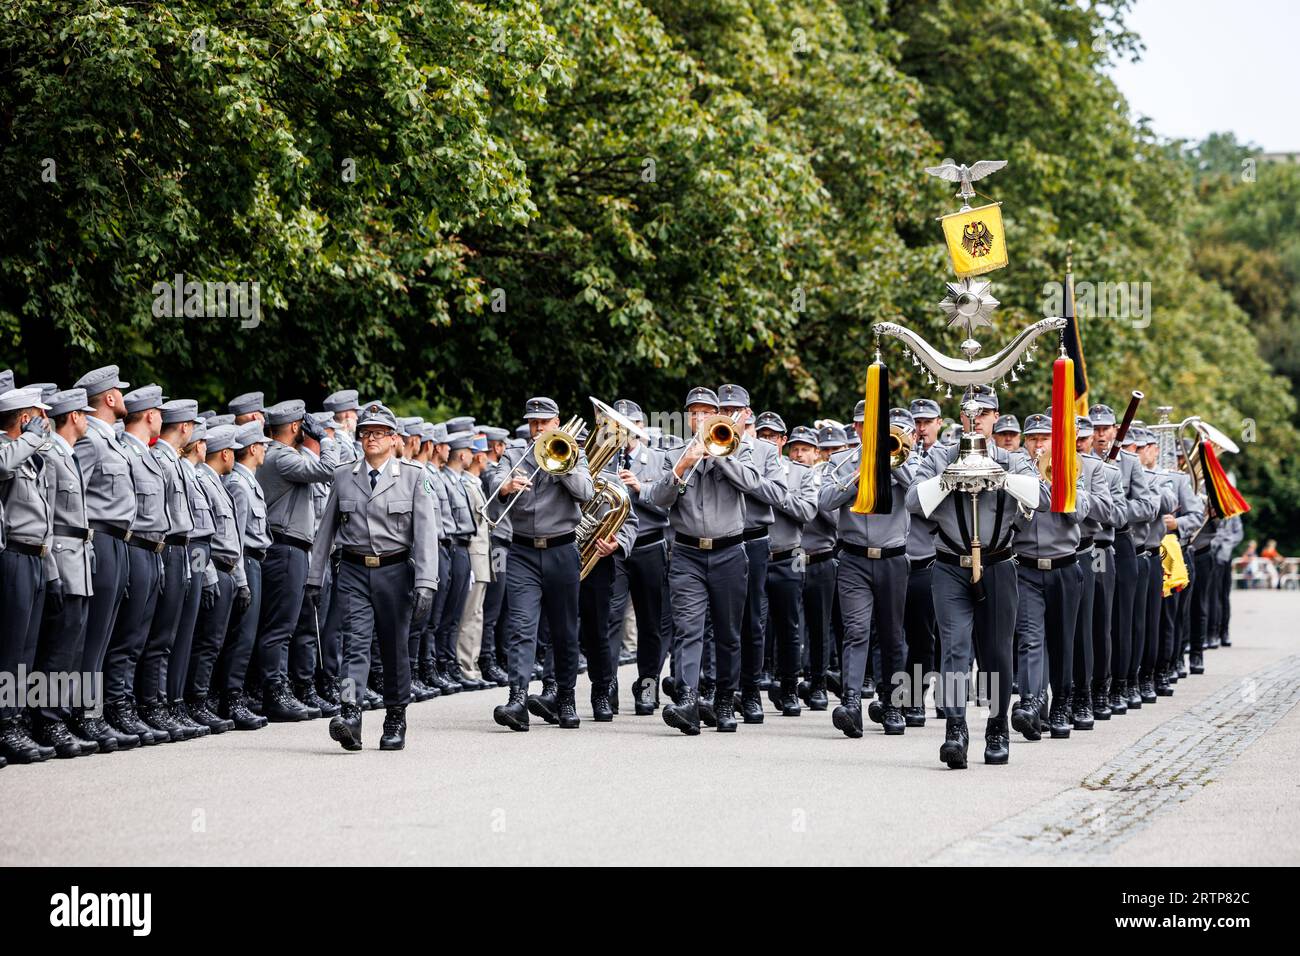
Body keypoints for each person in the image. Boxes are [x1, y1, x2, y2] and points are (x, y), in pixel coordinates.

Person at [906, 385, 1049, 768]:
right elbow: (912, 502)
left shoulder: (1013, 458)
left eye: (984, 413)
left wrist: (998, 476)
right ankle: (955, 727)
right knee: (954, 648)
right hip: (951, 563)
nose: (976, 419)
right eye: (970, 412)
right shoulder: (940, 455)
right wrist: (951, 477)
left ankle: (998, 725)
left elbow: (1044, 499)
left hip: (999, 562)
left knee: (997, 651)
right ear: (959, 415)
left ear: (996, 417)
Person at [308, 402, 439, 751]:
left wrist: (427, 583)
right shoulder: (344, 475)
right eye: (366, 433)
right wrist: (314, 577)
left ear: (394, 439)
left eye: (379, 433)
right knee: (354, 646)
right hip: (352, 569)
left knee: (395, 649)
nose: (371, 439)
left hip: (395, 572)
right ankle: (350, 713)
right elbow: (325, 530)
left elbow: (426, 534)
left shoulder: (413, 476)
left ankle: (396, 715)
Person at [649, 387, 764, 735]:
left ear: (717, 415)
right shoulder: (673, 454)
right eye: (694, 412)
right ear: (687, 417)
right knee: (688, 629)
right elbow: (658, 499)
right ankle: (687, 699)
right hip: (686, 553)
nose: (699, 418)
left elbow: (754, 484)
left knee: (729, 633)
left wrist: (719, 456)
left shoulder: (739, 449)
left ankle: (725, 701)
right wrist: (684, 464)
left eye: (706, 412)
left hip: (730, 551)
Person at [489, 397, 595, 731]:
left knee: (564, 630)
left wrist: (559, 465)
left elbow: (586, 491)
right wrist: (505, 487)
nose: (537, 429)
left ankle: (565, 696)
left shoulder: (572, 451)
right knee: (521, 627)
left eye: (543, 423)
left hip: (561, 549)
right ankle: (517, 698)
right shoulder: (514, 453)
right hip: (522, 551)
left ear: (557, 423)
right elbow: (494, 482)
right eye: (533, 423)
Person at [819, 403, 915, 737]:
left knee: (892, 636)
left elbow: (918, 493)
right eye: (862, 426)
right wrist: (859, 473)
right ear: (856, 428)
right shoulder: (840, 460)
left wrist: (892, 461)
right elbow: (825, 500)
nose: (867, 431)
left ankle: (893, 705)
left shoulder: (904, 455)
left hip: (892, 557)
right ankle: (851, 703)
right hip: (854, 557)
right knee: (856, 630)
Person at [1010, 414, 1096, 741]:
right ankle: (1031, 703)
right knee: (1031, 638)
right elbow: (1011, 523)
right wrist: (1026, 498)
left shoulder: (1071, 468)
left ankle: (1061, 704)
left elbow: (1078, 513)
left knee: (1062, 641)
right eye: (1032, 439)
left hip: (1064, 565)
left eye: (1044, 438)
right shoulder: (1017, 471)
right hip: (1028, 567)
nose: (1038, 444)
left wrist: (1056, 484)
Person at [69, 366, 141, 751]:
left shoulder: (110, 439)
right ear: (110, 399)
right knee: (92, 634)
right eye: (120, 391)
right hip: (99, 540)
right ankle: (84, 713)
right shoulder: (92, 442)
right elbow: (71, 495)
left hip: (119, 542)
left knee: (106, 634)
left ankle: (94, 712)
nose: (124, 397)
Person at [28, 389, 100, 757]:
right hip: (62, 557)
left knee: (72, 646)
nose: (88, 419)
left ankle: (62, 716)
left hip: (79, 560)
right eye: (84, 414)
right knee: (57, 649)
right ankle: (47, 719)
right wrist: (53, 568)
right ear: (73, 417)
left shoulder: (66, 454)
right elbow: (48, 519)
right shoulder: (50, 454)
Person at [255, 400, 338, 720]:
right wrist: (327, 440)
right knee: (280, 628)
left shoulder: (284, 455)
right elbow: (329, 470)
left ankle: (285, 688)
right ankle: (274, 692)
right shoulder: (282, 456)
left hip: (293, 549)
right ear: (295, 427)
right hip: (286, 548)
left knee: (293, 625)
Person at [717, 384, 788, 722]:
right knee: (720, 619)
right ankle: (720, 691)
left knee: (752, 619)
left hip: (753, 537)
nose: (730, 415)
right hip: (719, 538)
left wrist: (741, 474)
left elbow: (776, 493)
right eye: (724, 409)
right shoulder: (707, 443)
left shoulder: (765, 450)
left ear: (747, 413)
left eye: (736, 410)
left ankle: (750, 691)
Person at [0, 387, 58, 764]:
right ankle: (5, 726)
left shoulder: (31, 455)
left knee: (26, 649)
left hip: (36, 558)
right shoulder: (7, 449)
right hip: (14, 557)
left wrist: (51, 570)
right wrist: (33, 436)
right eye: (40, 414)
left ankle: (16, 721)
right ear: (25, 418)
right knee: (9, 649)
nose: (47, 421)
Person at [610, 399, 672, 715]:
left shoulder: (659, 460)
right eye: (616, 426)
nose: (621, 432)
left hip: (649, 544)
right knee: (609, 618)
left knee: (651, 623)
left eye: (628, 426)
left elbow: (669, 505)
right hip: (614, 546)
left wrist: (640, 488)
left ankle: (647, 685)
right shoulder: (603, 460)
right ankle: (605, 686)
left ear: (641, 428)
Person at [755, 412, 816, 717]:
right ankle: (750, 686)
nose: (767, 441)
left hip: (789, 554)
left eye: (772, 436)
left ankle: (789, 686)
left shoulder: (800, 472)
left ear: (782, 441)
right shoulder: (749, 469)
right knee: (753, 623)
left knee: (790, 626)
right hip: (755, 554)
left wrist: (776, 495)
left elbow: (807, 511)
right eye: (761, 435)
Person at [903, 398, 942, 726]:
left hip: (927, 552)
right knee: (894, 633)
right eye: (916, 421)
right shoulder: (897, 453)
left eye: (927, 421)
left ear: (939, 424)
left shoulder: (943, 459)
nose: (921, 428)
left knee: (927, 635)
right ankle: (898, 697)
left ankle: (920, 697)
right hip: (895, 552)